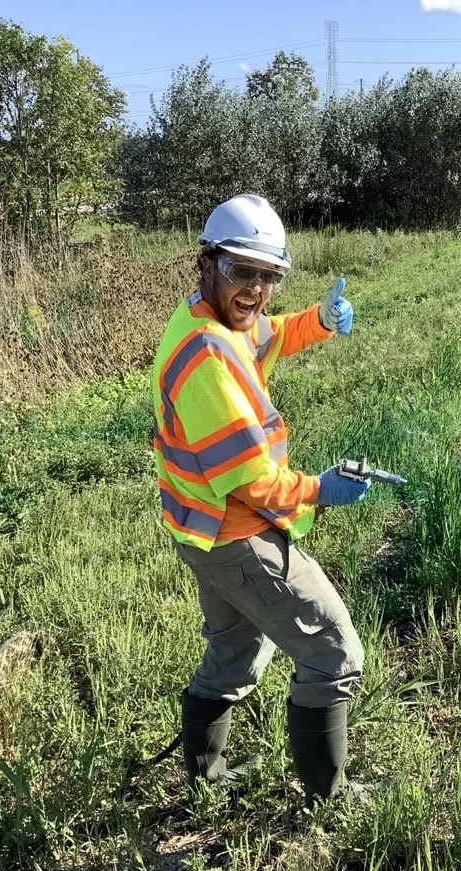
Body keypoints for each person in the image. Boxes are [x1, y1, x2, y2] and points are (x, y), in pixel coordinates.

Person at [151, 194, 370, 802]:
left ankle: (206, 781)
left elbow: (268, 336)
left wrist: (320, 320)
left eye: (268, 277)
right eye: (241, 271)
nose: (255, 290)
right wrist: (321, 490)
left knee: (233, 650)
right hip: (238, 533)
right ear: (207, 262)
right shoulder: (207, 360)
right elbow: (252, 482)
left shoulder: (213, 321)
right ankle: (330, 798)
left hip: (203, 529)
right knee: (334, 653)